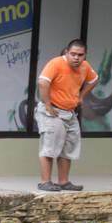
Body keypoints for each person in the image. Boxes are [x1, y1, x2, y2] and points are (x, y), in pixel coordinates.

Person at [36, 39, 96, 191]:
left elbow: (94, 80)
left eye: (80, 55)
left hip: (70, 113)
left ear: (85, 55)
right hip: (53, 111)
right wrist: (48, 104)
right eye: (73, 54)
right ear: (67, 53)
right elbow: (43, 82)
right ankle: (45, 182)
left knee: (68, 148)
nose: (76, 58)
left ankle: (63, 182)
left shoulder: (85, 67)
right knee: (49, 147)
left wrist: (81, 96)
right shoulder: (56, 63)